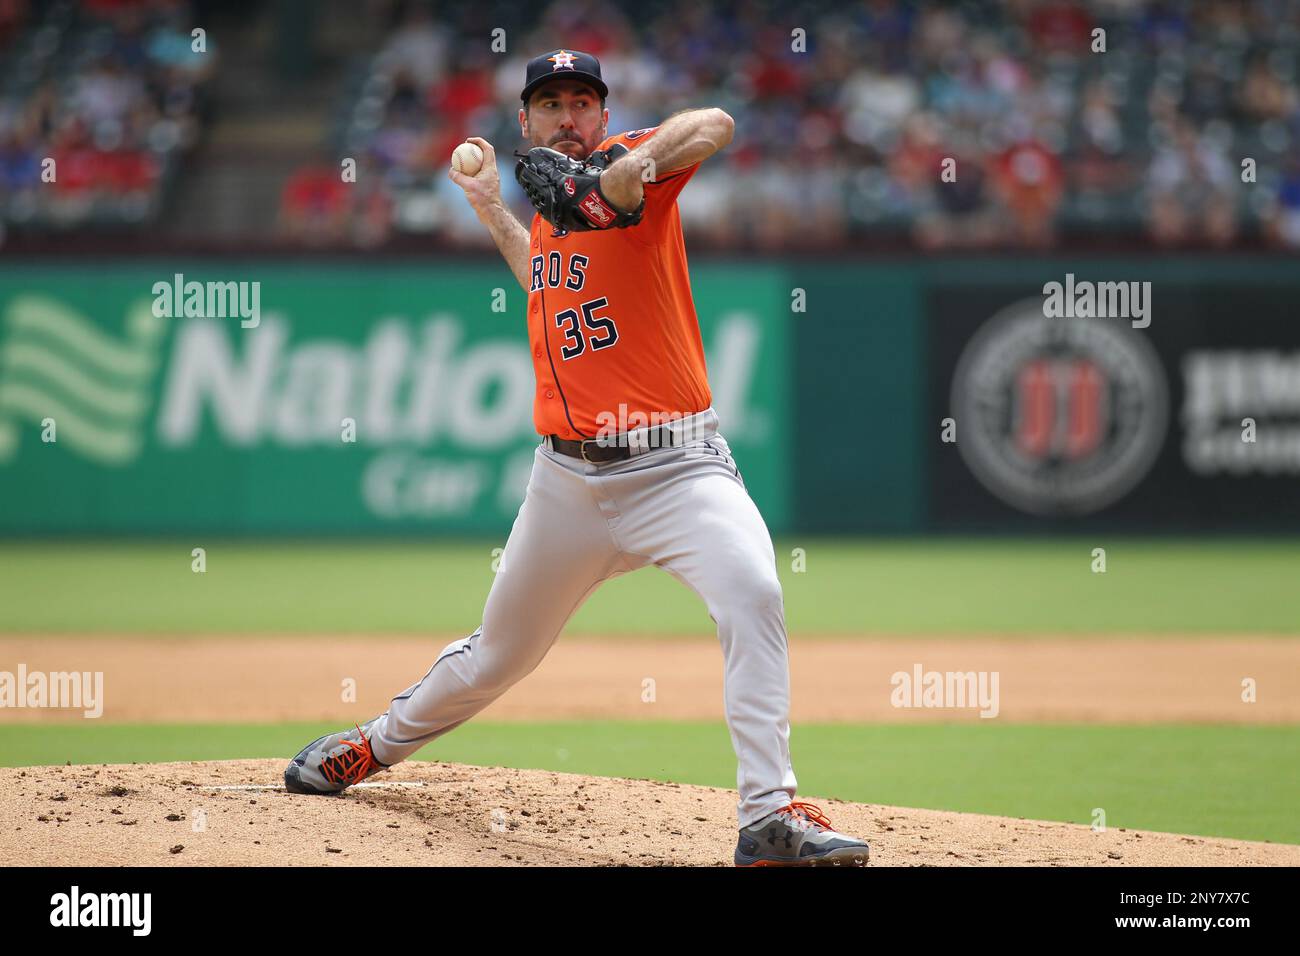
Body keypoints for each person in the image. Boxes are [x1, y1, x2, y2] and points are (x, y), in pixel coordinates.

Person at [283, 48, 870, 868]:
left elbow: (716, 124)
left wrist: (626, 171)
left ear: (603, 112)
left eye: (582, 101)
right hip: (567, 481)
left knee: (755, 590)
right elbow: (549, 282)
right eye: (551, 101)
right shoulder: (552, 203)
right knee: (499, 654)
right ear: (525, 120)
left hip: (680, 468)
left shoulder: (630, 167)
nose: (568, 114)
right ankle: (373, 745)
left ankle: (768, 815)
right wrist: (491, 205)